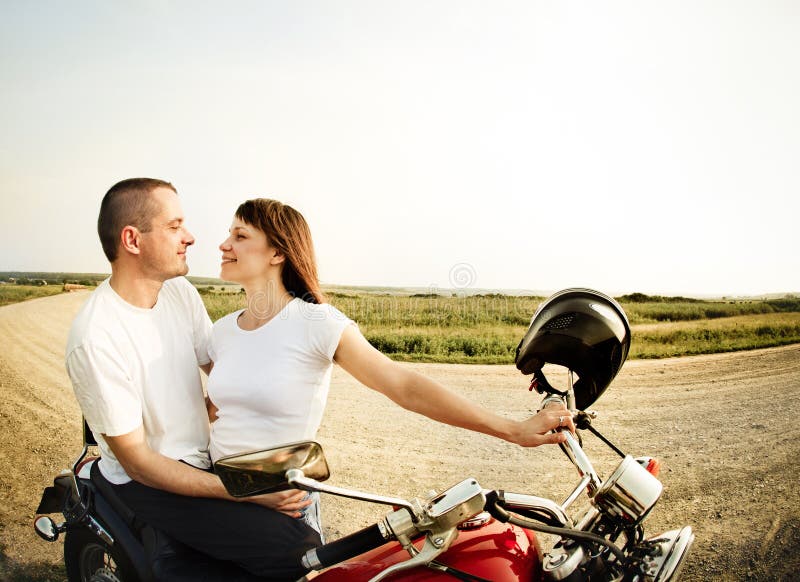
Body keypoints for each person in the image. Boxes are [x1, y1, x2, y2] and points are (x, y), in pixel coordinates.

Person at [206, 198, 575, 534]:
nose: (224, 245)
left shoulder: (317, 322)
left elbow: (403, 385)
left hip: (280, 505)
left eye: (240, 236)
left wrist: (513, 429)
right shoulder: (221, 331)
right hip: (214, 494)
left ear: (277, 252)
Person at [65, 179, 320, 580]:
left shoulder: (178, 292)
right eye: (174, 226)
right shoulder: (96, 336)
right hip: (149, 478)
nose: (190, 237)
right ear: (132, 240)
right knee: (295, 549)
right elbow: (139, 463)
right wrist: (248, 491)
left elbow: (222, 372)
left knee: (310, 537)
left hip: (202, 457)